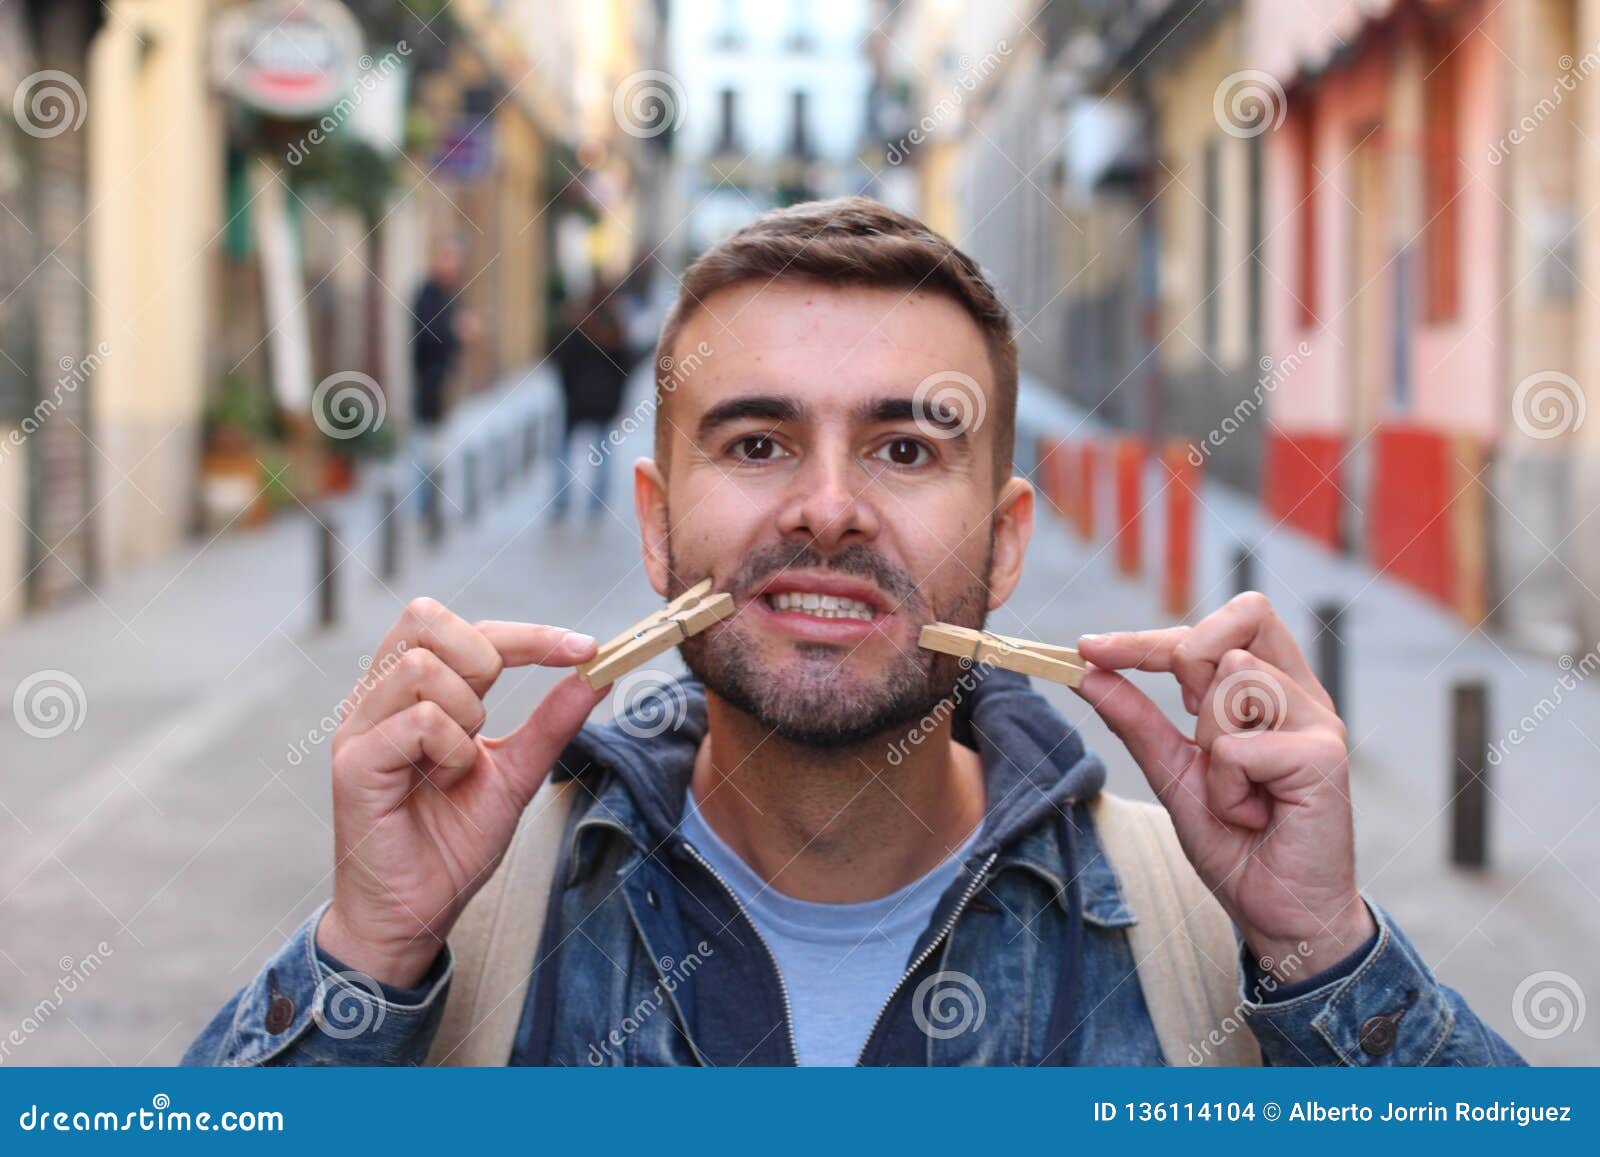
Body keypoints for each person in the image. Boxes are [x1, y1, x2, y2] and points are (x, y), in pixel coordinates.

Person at [183, 198, 1524, 1067]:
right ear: (657, 528)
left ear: (1004, 541)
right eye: (758, 441)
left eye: (904, 445)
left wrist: (1323, 952)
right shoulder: (480, 934)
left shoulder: (1201, 954)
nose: (827, 509)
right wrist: (368, 949)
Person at [551, 279, 631, 523]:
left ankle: (562, 502)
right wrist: (618, 399)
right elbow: (625, 368)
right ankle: (596, 503)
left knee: (564, 451)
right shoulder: (616, 330)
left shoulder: (577, 328)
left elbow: (562, 362)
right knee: (603, 451)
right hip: (604, 402)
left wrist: (568, 392)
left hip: (576, 402)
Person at [410, 242, 467, 532]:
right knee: (425, 448)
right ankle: (422, 506)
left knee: (434, 447)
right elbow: (429, 338)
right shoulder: (428, 295)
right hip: (429, 383)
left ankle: (430, 505)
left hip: (438, 382)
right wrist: (456, 332)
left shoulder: (444, 295)